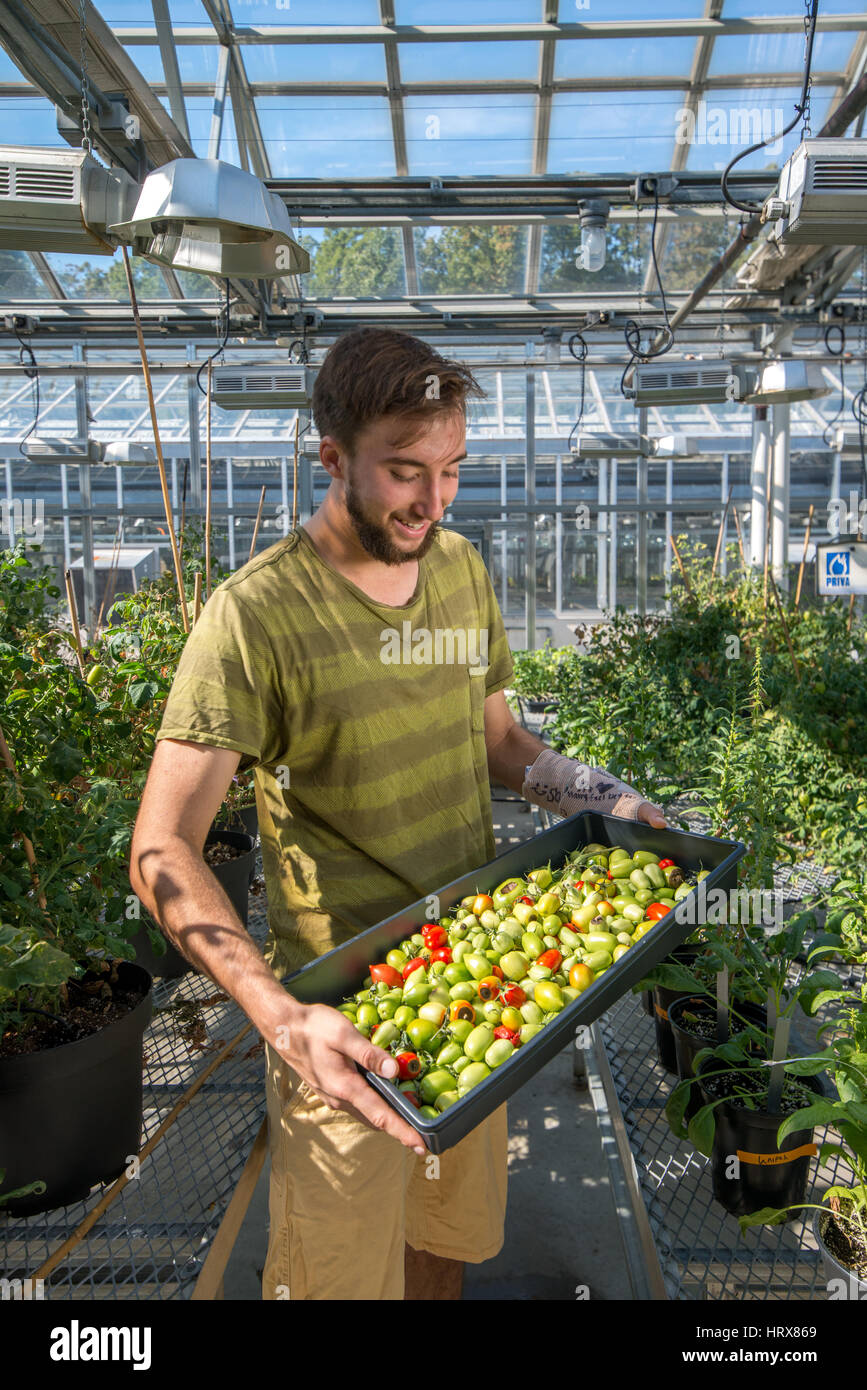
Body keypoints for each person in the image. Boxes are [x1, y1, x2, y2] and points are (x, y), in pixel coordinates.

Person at [129, 326, 666, 1302]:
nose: (434, 499)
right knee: (337, 1277)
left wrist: (610, 799)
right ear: (332, 459)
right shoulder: (253, 615)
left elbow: (503, 743)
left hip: (481, 987)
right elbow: (161, 844)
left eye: (453, 468)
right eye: (405, 471)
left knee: (445, 1242)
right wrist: (282, 1020)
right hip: (344, 1020)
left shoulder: (459, 571)